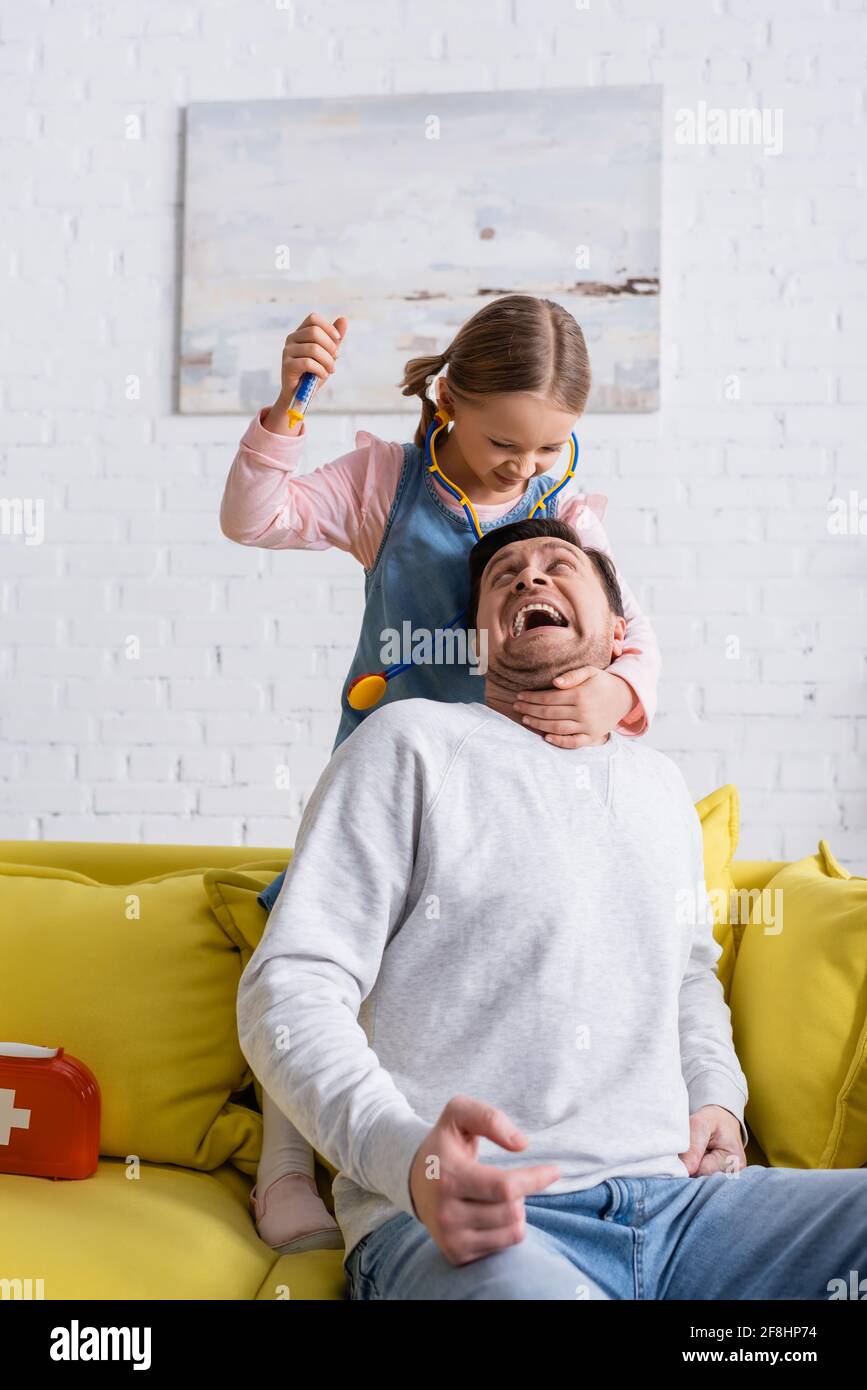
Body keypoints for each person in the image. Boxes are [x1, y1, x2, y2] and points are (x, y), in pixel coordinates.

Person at [236, 516, 867, 1300]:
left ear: (617, 631)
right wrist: (407, 1159)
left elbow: (689, 975)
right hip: (474, 1221)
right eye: (503, 576)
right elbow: (289, 989)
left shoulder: (659, 787)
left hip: (681, 1208)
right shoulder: (407, 744)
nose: (528, 578)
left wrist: (717, 1099)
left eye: (557, 564)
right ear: (478, 641)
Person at [221, 294, 660, 1253]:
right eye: (506, 442)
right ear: (450, 399)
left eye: (547, 449)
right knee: (319, 941)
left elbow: (633, 633)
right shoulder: (387, 483)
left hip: (512, 790)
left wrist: (618, 696)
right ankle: (287, 1169)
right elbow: (255, 519)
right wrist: (288, 410)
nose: (524, 467)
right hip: (390, 776)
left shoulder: (566, 516)